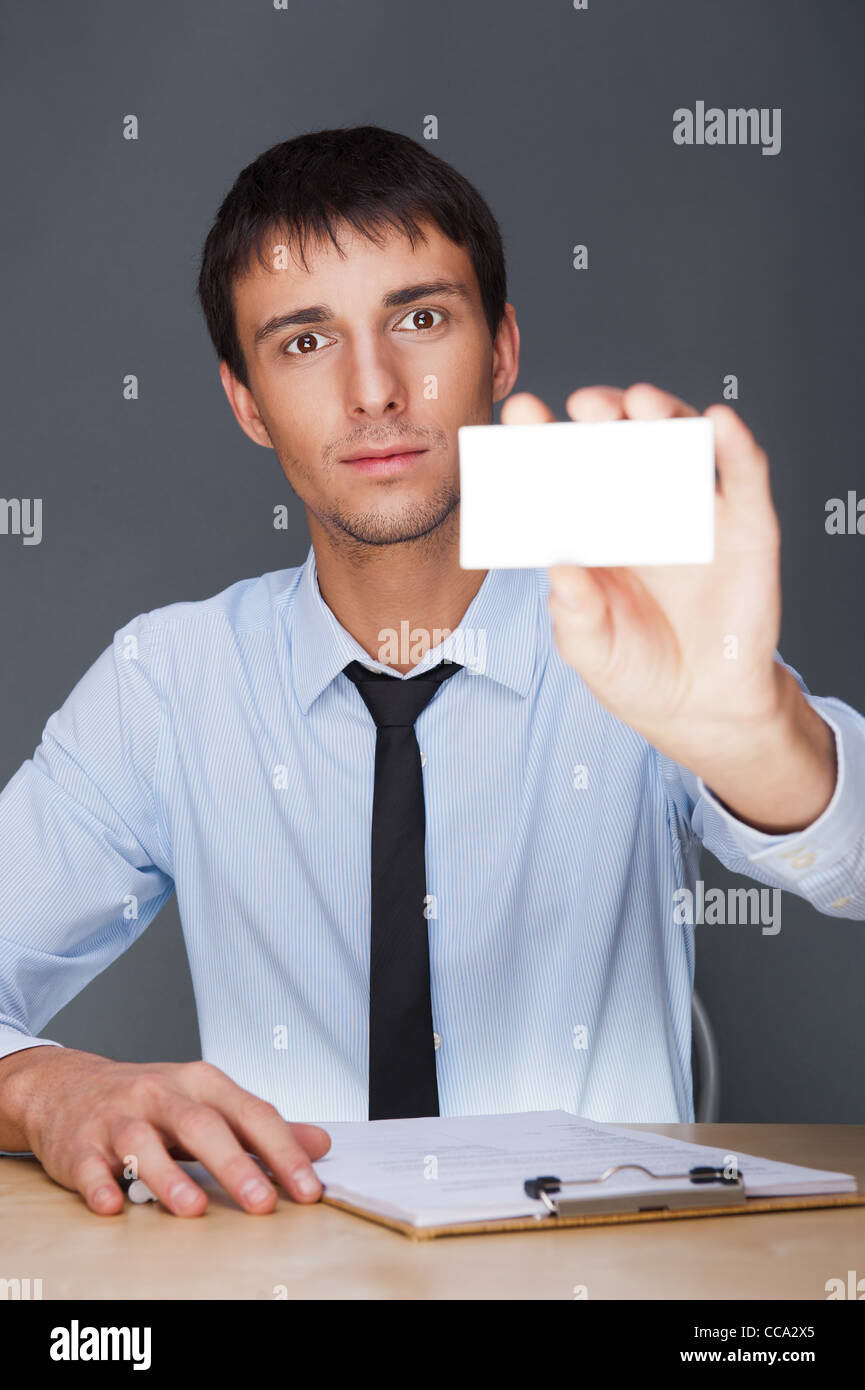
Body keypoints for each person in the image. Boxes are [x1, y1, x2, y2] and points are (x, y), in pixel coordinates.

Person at [0, 126, 862, 1220]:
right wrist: (43, 1086)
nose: (373, 389)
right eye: (304, 342)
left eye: (419, 318)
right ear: (245, 400)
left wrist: (757, 735)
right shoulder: (167, 683)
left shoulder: (630, 626)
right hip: (283, 1290)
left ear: (500, 350)